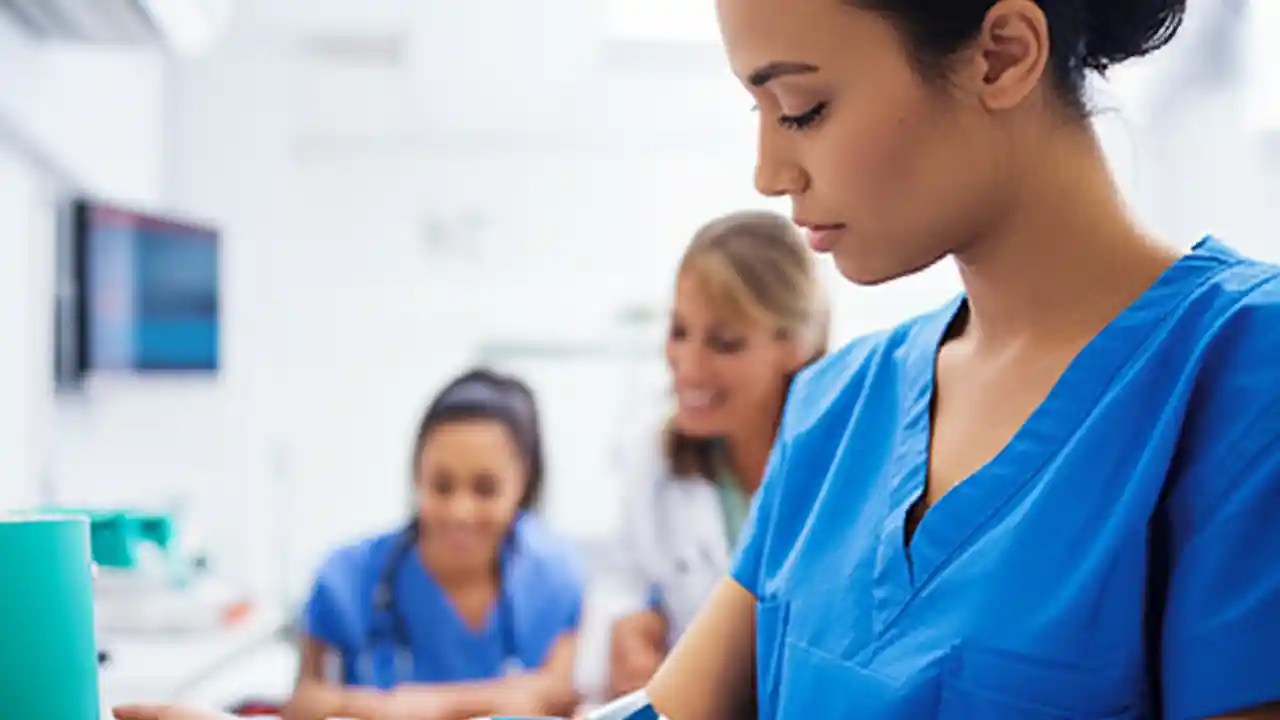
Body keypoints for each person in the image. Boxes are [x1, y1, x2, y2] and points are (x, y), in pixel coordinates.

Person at [627, 0, 1280, 719]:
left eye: (802, 109)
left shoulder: (1244, 377)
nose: (769, 173)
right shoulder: (837, 408)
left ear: (1001, 55)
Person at [118, 369, 585, 720]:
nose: (460, 510)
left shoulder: (554, 574)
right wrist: (493, 700)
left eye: (485, 489)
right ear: (415, 477)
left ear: (524, 485)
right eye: (441, 486)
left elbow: (559, 696)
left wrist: (407, 708)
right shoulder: (346, 577)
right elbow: (305, 704)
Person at [578, 211, 828, 702]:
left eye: (724, 343)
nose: (688, 367)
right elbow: (620, 578)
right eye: (678, 332)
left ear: (795, 343)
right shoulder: (654, 460)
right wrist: (625, 626)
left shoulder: (839, 466)